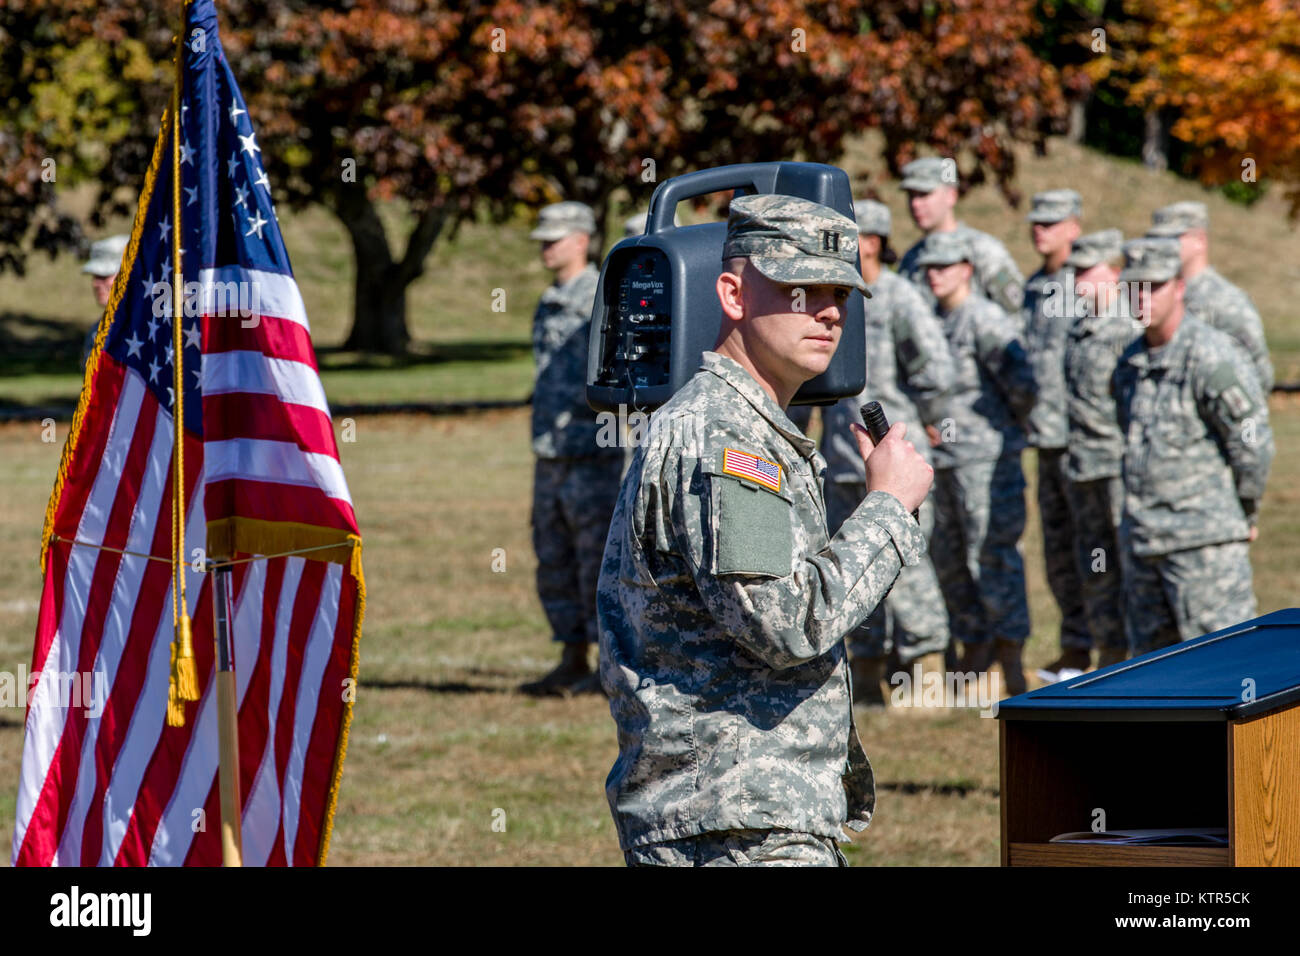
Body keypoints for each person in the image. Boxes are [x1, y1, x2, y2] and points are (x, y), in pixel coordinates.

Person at [598, 194, 933, 866]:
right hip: (735, 822)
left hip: (737, 815)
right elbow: (783, 624)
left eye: (840, 292)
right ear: (732, 294)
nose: (830, 311)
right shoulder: (724, 435)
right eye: (800, 289)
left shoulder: (749, 428)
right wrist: (888, 509)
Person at [819, 199, 955, 704]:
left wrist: (926, 417)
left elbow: (935, 367)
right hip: (843, 459)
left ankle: (927, 675)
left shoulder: (898, 296)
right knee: (852, 562)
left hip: (894, 457)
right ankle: (870, 676)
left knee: (907, 563)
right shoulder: (828, 298)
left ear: (871, 242)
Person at [1112, 238, 1274, 655]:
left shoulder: (1211, 355)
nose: (1141, 297)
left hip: (1204, 547)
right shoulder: (1129, 362)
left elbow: (1252, 443)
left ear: (1179, 287)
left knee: (1225, 672)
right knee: (1153, 686)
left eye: (1153, 286)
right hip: (1144, 543)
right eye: (1133, 287)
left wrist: (1245, 508)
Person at [918, 232, 1037, 694]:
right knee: (949, 557)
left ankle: (1011, 658)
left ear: (966, 269)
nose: (935, 275)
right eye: (930, 267)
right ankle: (973, 650)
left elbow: (1023, 386)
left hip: (987, 459)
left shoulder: (986, 320)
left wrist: (1004, 432)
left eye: (945, 266)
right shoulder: (929, 319)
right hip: (943, 461)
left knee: (992, 556)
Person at [518, 201, 624, 696]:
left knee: (595, 558)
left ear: (582, 239)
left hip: (591, 453)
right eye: (543, 237)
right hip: (550, 452)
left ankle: (607, 665)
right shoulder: (549, 298)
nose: (546, 245)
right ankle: (570, 655)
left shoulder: (604, 297)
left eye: (555, 237)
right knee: (552, 553)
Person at [1056, 229, 1140, 678]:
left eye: (1087, 270)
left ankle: (1139, 657)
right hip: (1083, 467)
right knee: (1096, 568)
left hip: (1117, 468)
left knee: (1130, 568)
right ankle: (1108, 656)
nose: (1077, 279)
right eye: (1074, 270)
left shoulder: (1129, 330)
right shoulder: (1078, 327)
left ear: (1115, 272)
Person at [1020, 190, 1091, 680]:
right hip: (1044, 441)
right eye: (1036, 222)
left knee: (1096, 550)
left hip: (1083, 442)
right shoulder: (1032, 287)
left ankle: (1104, 646)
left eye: (1052, 222)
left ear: (1075, 227)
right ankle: (1074, 647)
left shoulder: (1084, 285)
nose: (1040, 230)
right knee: (1058, 550)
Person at [1147, 201, 1273, 394]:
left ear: (1200, 240)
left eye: (1172, 238)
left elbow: (1258, 377)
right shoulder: (1149, 296)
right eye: (1157, 239)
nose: (1162, 247)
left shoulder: (1226, 301)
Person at [896, 157, 1025, 319]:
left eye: (924, 194)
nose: (915, 204)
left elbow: (1017, 314)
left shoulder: (983, 251)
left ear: (951, 195)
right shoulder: (911, 259)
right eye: (911, 196)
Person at [81, 234, 129, 370]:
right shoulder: (96, 332)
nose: (96, 283)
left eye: (104, 276)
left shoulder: (152, 328)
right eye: (95, 276)